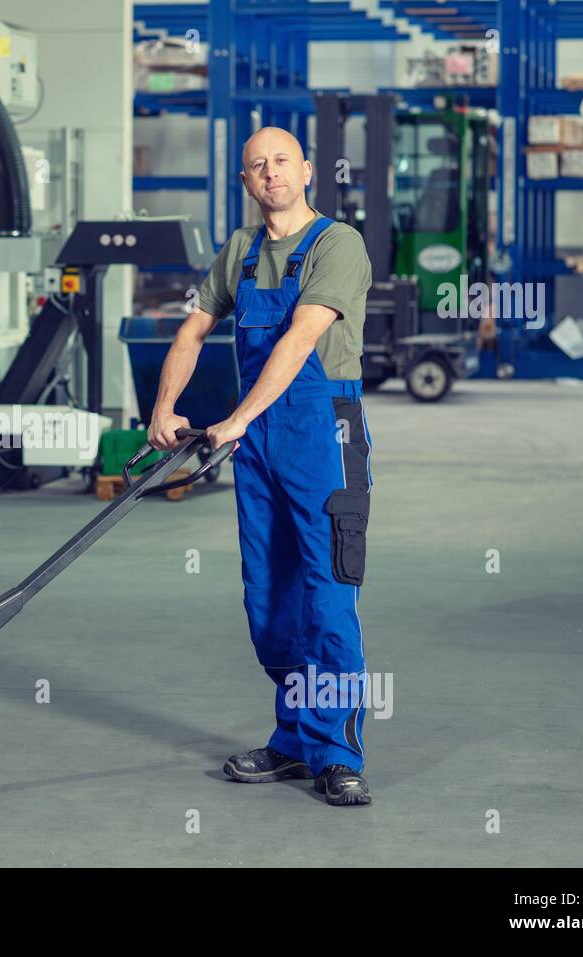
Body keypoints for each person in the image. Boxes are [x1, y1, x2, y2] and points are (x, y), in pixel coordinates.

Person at [147, 127, 375, 806]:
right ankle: (294, 737)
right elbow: (193, 328)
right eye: (257, 166)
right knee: (270, 598)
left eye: (281, 161)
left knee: (327, 597)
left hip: (324, 438)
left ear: (305, 169)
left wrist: (237, 419)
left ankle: (336, 752)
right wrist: (164, 406)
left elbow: (304, 333)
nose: (271, 173)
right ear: (245, 182)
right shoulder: (240, 251)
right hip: (259, 445)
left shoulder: (337, 244)